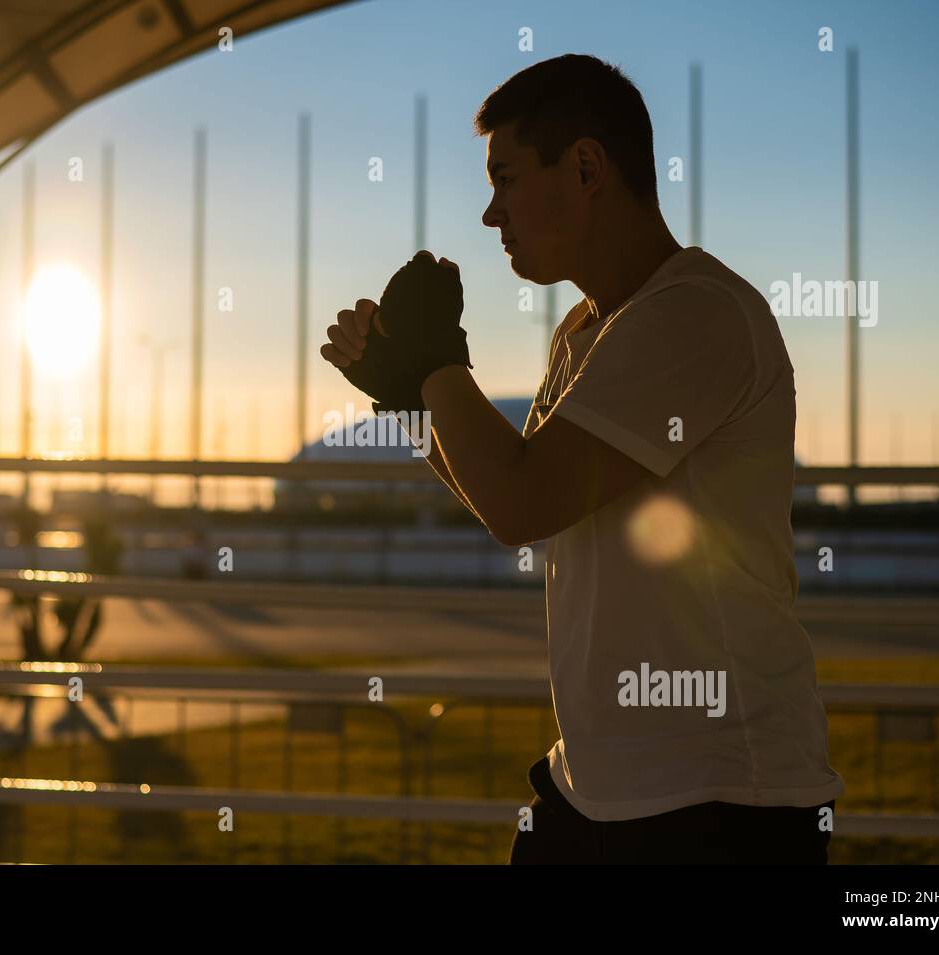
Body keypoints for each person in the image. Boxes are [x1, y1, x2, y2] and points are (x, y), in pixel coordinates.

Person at [320, 53, 842, 864]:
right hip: (602, 783)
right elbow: (511, 499)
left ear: (588, 165)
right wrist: (409, 397)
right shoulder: (586, 331)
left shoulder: (694, 314)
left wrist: (436, 363)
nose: (492, 214)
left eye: (506, 177)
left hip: (721, 798)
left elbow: (523, 502)